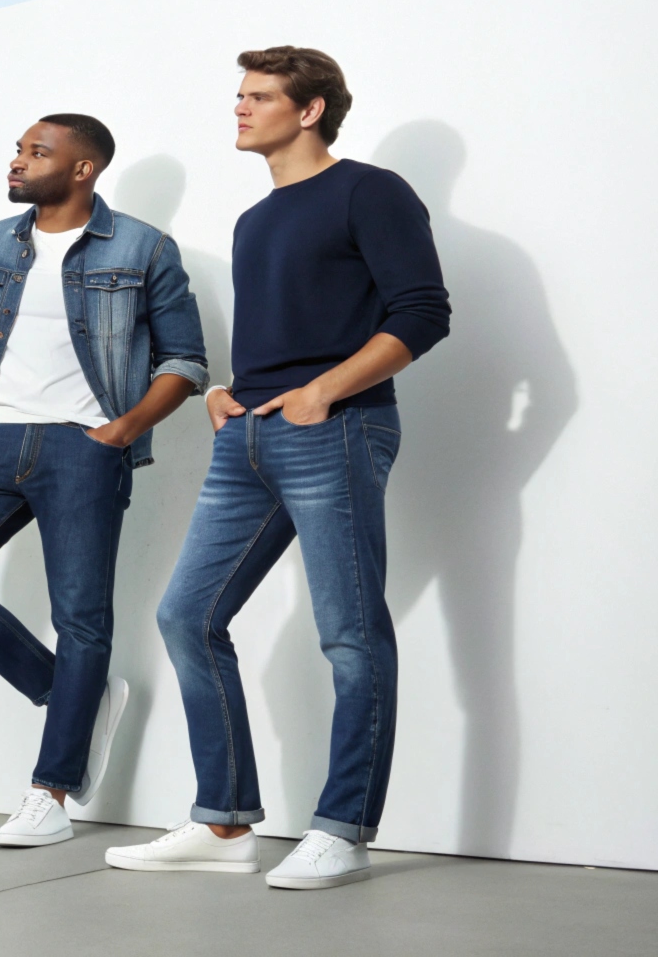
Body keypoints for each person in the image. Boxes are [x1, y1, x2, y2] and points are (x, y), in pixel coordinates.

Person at [106, 47, 450, 889]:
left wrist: (321, 392)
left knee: (349, 631)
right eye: (239, 94)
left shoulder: (371, 190)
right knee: (187, 617)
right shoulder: (257, 218)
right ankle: (224, 825)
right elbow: (285, 326)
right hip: (247, 439)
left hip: (335, 431)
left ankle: (344, 827)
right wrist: (226, 392)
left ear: (309, 111)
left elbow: (425, 311)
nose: (240, 107)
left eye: (258, 96)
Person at [0, 114, 208, 848]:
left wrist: (121, 433)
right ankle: (73, 693)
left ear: (83, 169)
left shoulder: (143, 248)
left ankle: (53, 791)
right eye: (17, 148)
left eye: (37, 152)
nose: (17, 161)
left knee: (82, 618)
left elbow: (186, 361)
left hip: (84, 446)